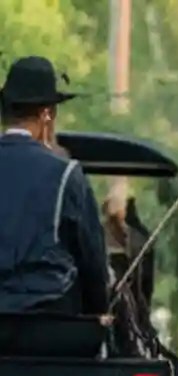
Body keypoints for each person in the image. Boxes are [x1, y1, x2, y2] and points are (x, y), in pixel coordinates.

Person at [0, 56, 109, 316]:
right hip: (50, 322)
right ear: (47, 114)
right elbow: (93, 262)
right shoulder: (66, 173)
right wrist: (99, 317)